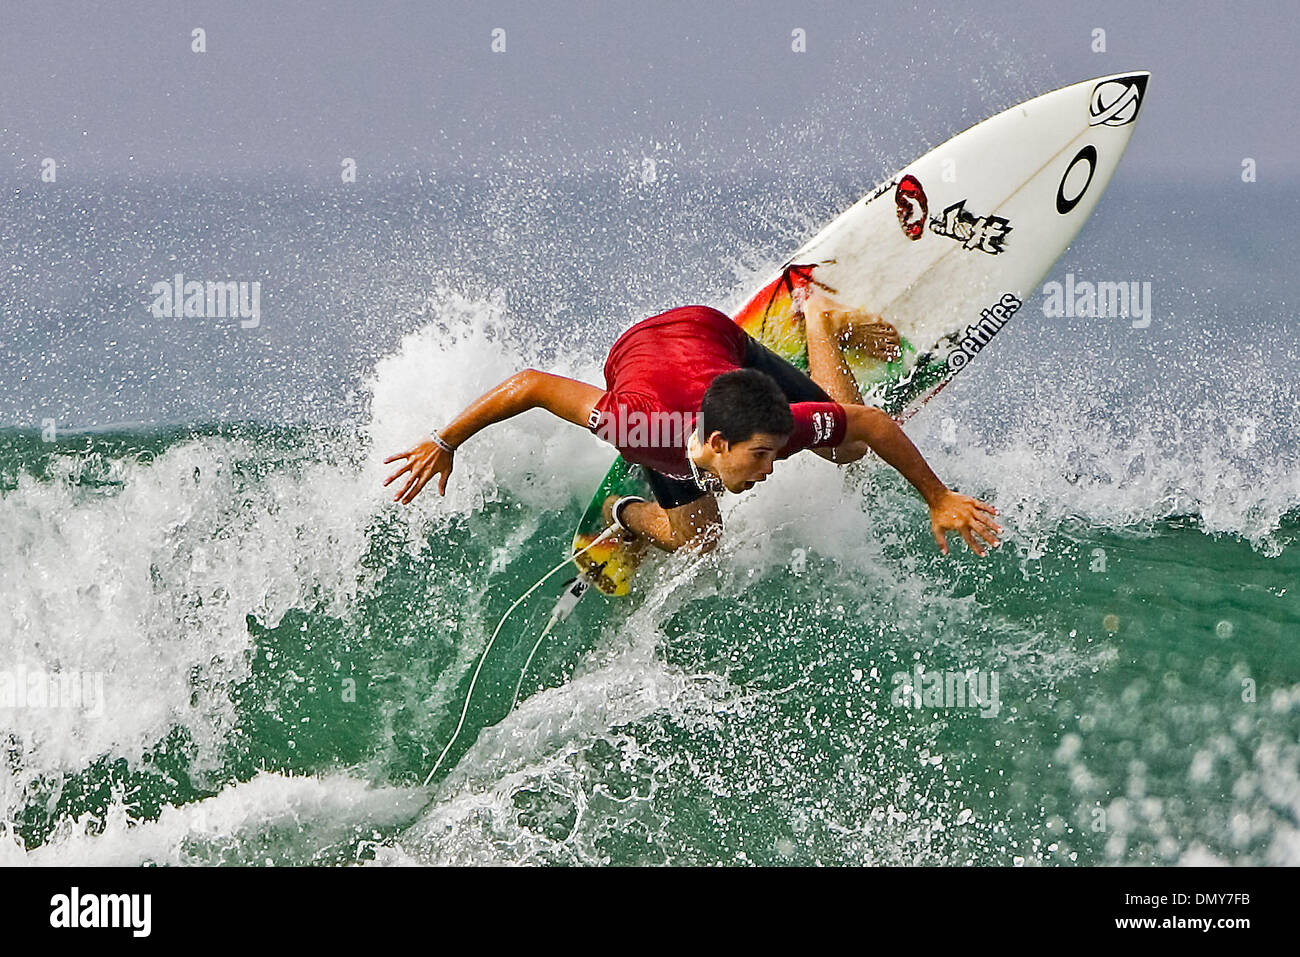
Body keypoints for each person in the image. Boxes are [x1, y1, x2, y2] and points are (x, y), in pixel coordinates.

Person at [384, 285, 1001, 557]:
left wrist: (937, 495)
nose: (769, 468)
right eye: (758, 457)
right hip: (637, 355)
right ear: (716, 442)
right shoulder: (635, 428)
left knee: (846, 452)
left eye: (773, 453)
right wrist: (444, 441)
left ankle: (821, 320)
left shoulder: (779, 430)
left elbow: (867, 423)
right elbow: (534, 386)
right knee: (698, 544)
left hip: (712, 334)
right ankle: (618, 514)